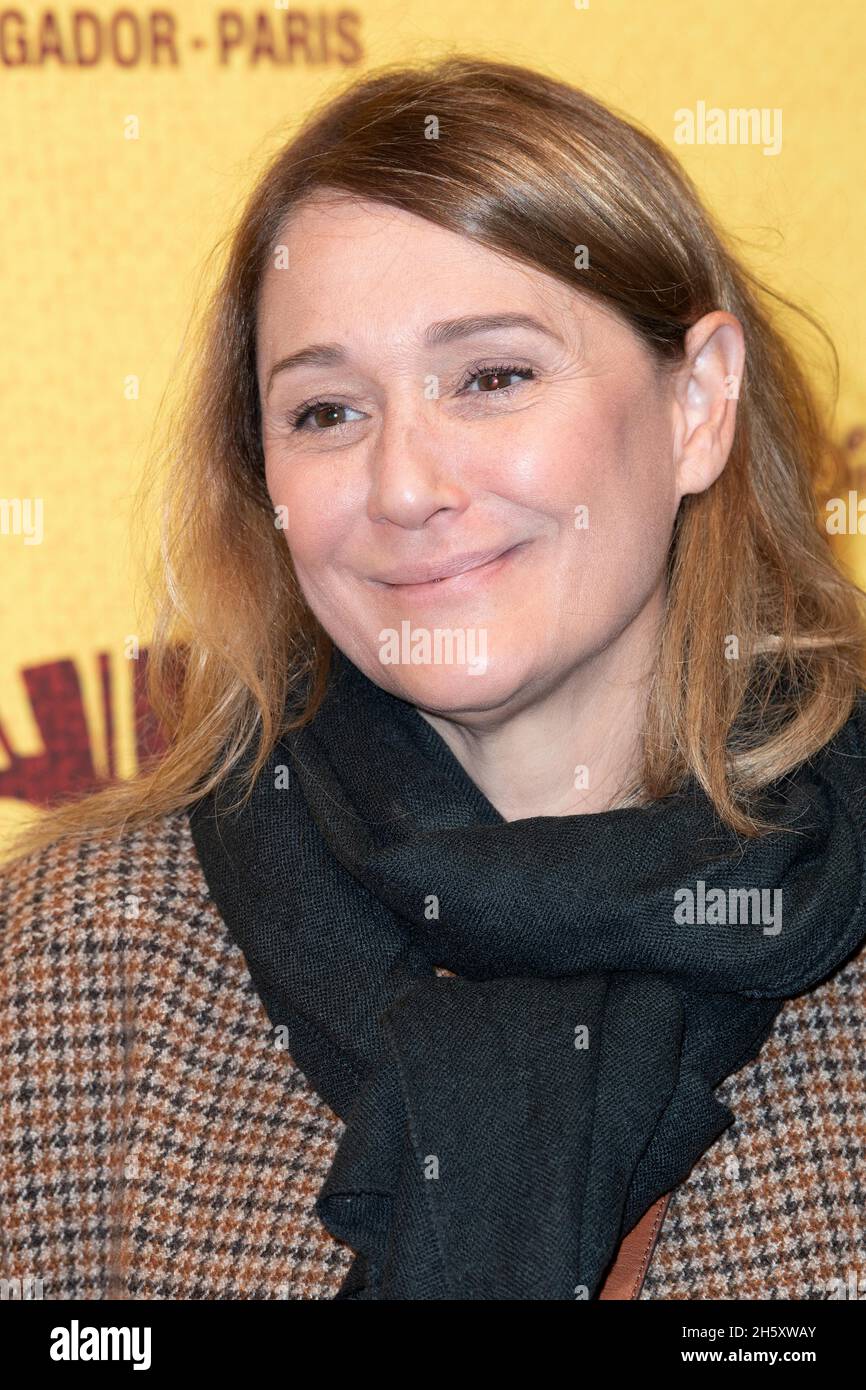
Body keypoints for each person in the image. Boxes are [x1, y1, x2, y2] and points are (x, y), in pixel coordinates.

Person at [2, 54, 865, 1302]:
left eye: (491, 377)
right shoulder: (77, 972)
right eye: (326, 412)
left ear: (697, 403)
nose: (404, 486)